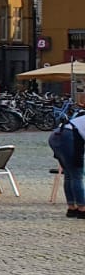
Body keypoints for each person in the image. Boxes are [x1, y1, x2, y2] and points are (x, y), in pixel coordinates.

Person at [62, 92, 85, 220]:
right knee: (77, 174)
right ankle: (82, 209)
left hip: (58, 136)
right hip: (69, 137)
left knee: (70, 174)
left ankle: (72, 208)